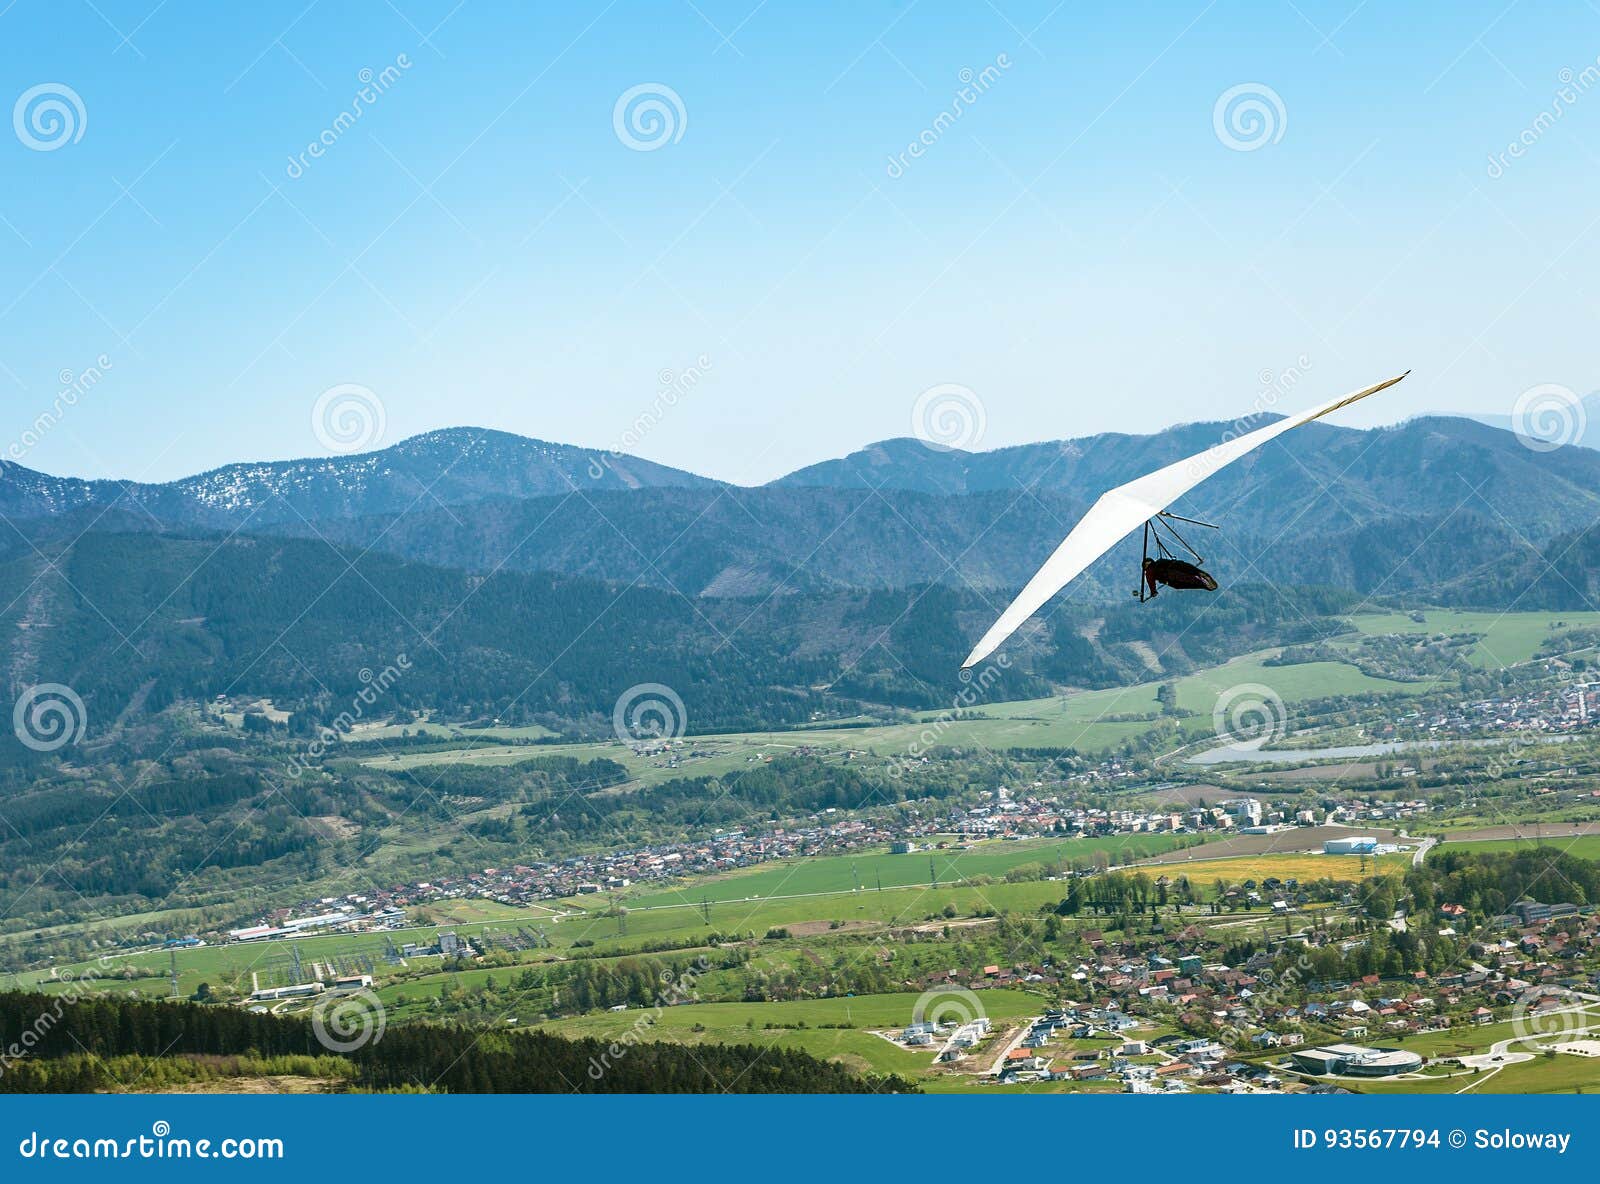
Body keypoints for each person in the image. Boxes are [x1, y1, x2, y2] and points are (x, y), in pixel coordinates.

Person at [1143, 555, 1219, 598]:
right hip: (1178, 564)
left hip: (1172, 576)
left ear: (1146, 566)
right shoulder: (1160, 561)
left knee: (1186, 582)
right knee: (1192, 571)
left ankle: (1204, 585)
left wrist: (1153, 592)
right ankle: (1199, 573)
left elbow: (1150, 582)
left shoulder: (1150, 571)